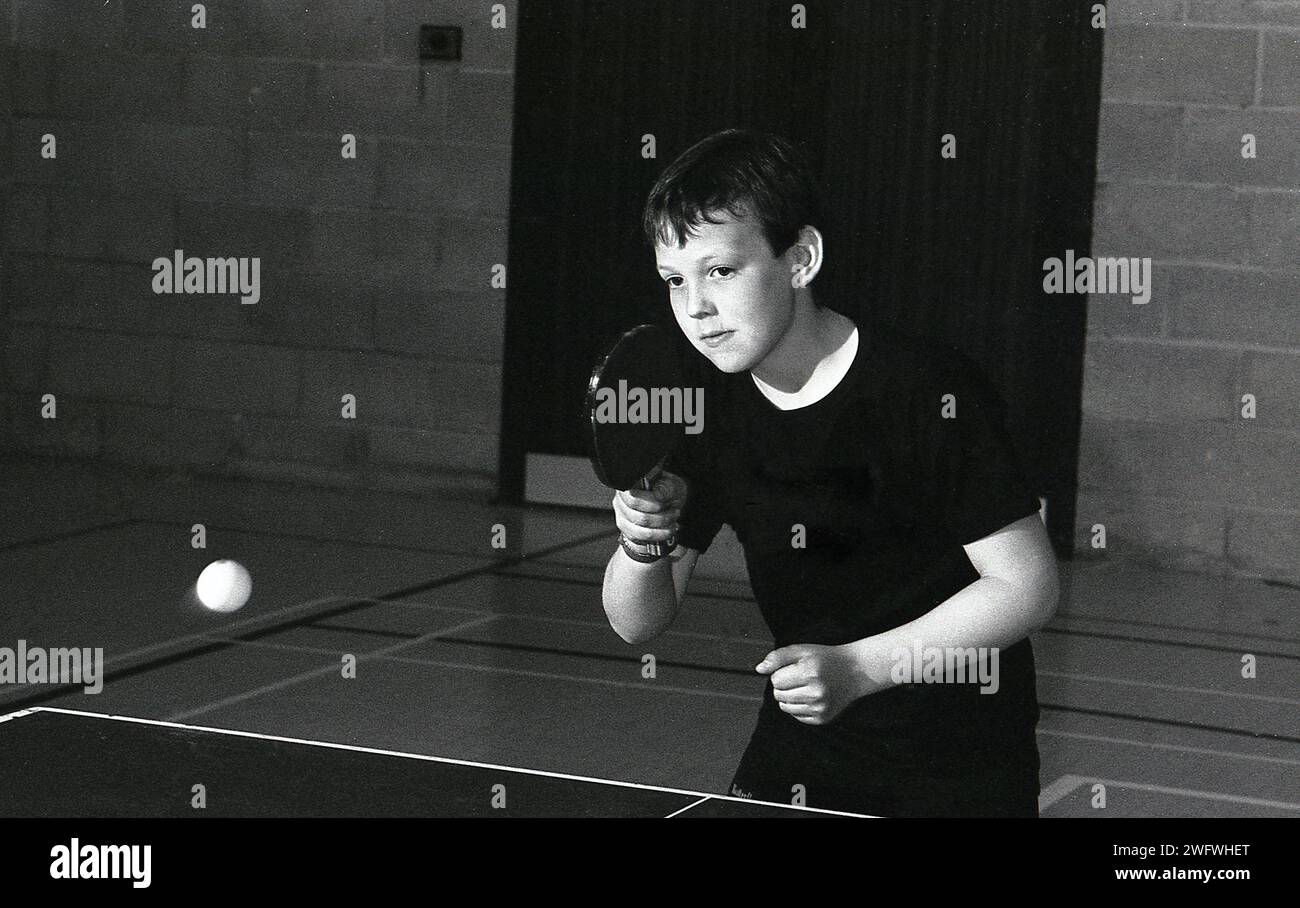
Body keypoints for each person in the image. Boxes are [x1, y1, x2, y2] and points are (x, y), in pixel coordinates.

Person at [600, 128, 1060, 817]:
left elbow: (1027, 587)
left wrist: (861, 667)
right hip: (802, 754)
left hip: (957, 766)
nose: (694, 307)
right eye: (674, 280)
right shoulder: (706, 408)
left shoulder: (926, 391)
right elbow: (637, 625)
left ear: (800, 259)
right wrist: (642, 545)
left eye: (721, 271)